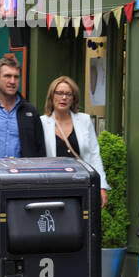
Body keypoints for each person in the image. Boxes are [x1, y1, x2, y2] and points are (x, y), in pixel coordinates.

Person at [40, 76, 109, 208]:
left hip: (81, 185)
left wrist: (101, 186)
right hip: (53, 186)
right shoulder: (42, 122)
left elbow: (94, 155)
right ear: (52, 96)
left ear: (73, 98)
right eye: (59, 93)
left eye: (68, 94)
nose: (63, 97)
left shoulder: (84, 120)